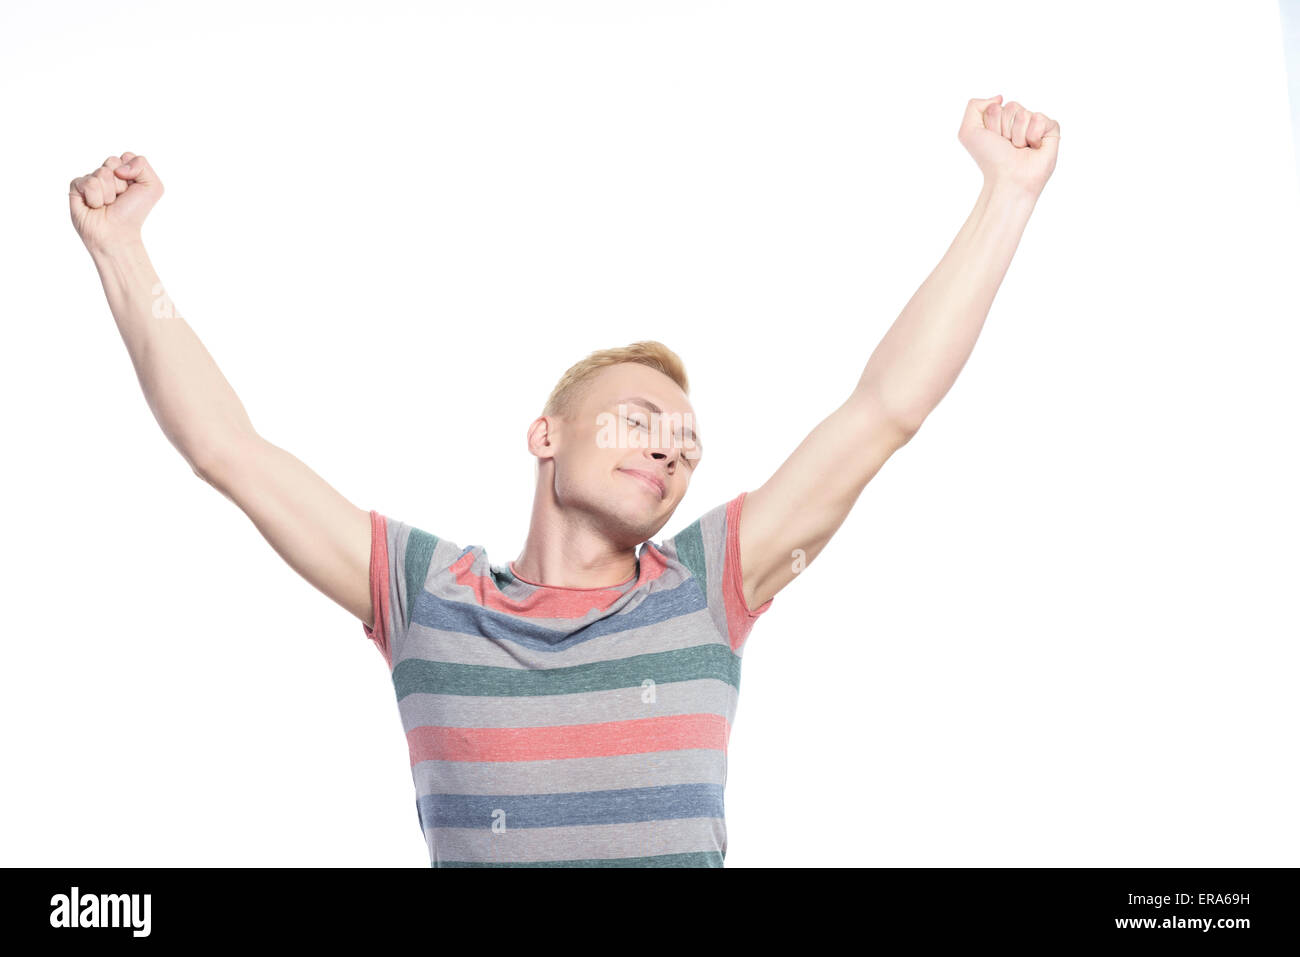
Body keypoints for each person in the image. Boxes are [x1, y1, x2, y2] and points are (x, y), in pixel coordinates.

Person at [67, 95, 1059, 867]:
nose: (669, 449)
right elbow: (227, 450)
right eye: (636, 420)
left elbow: (883, 410)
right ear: (546, 436)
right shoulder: (424, 595)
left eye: (685, 440)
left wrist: (1005, 193)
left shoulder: (709, 589)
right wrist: (122, 250)